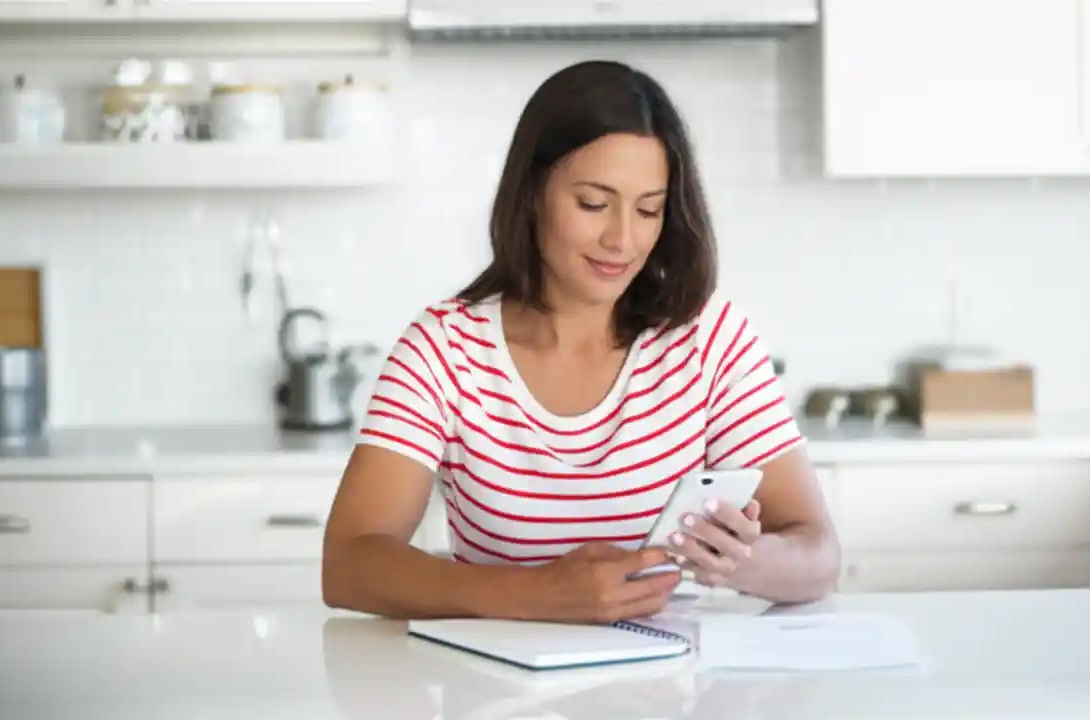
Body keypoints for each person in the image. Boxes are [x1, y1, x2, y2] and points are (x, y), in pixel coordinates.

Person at [321, 59, 840, 623]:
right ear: (531, 193)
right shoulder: (444, 350)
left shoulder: (709, 336)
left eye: (649, 209)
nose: (622, 239)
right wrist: (532, 594)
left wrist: (741, 560)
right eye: (593, 204)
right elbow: (349, 564)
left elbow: (819, 556)